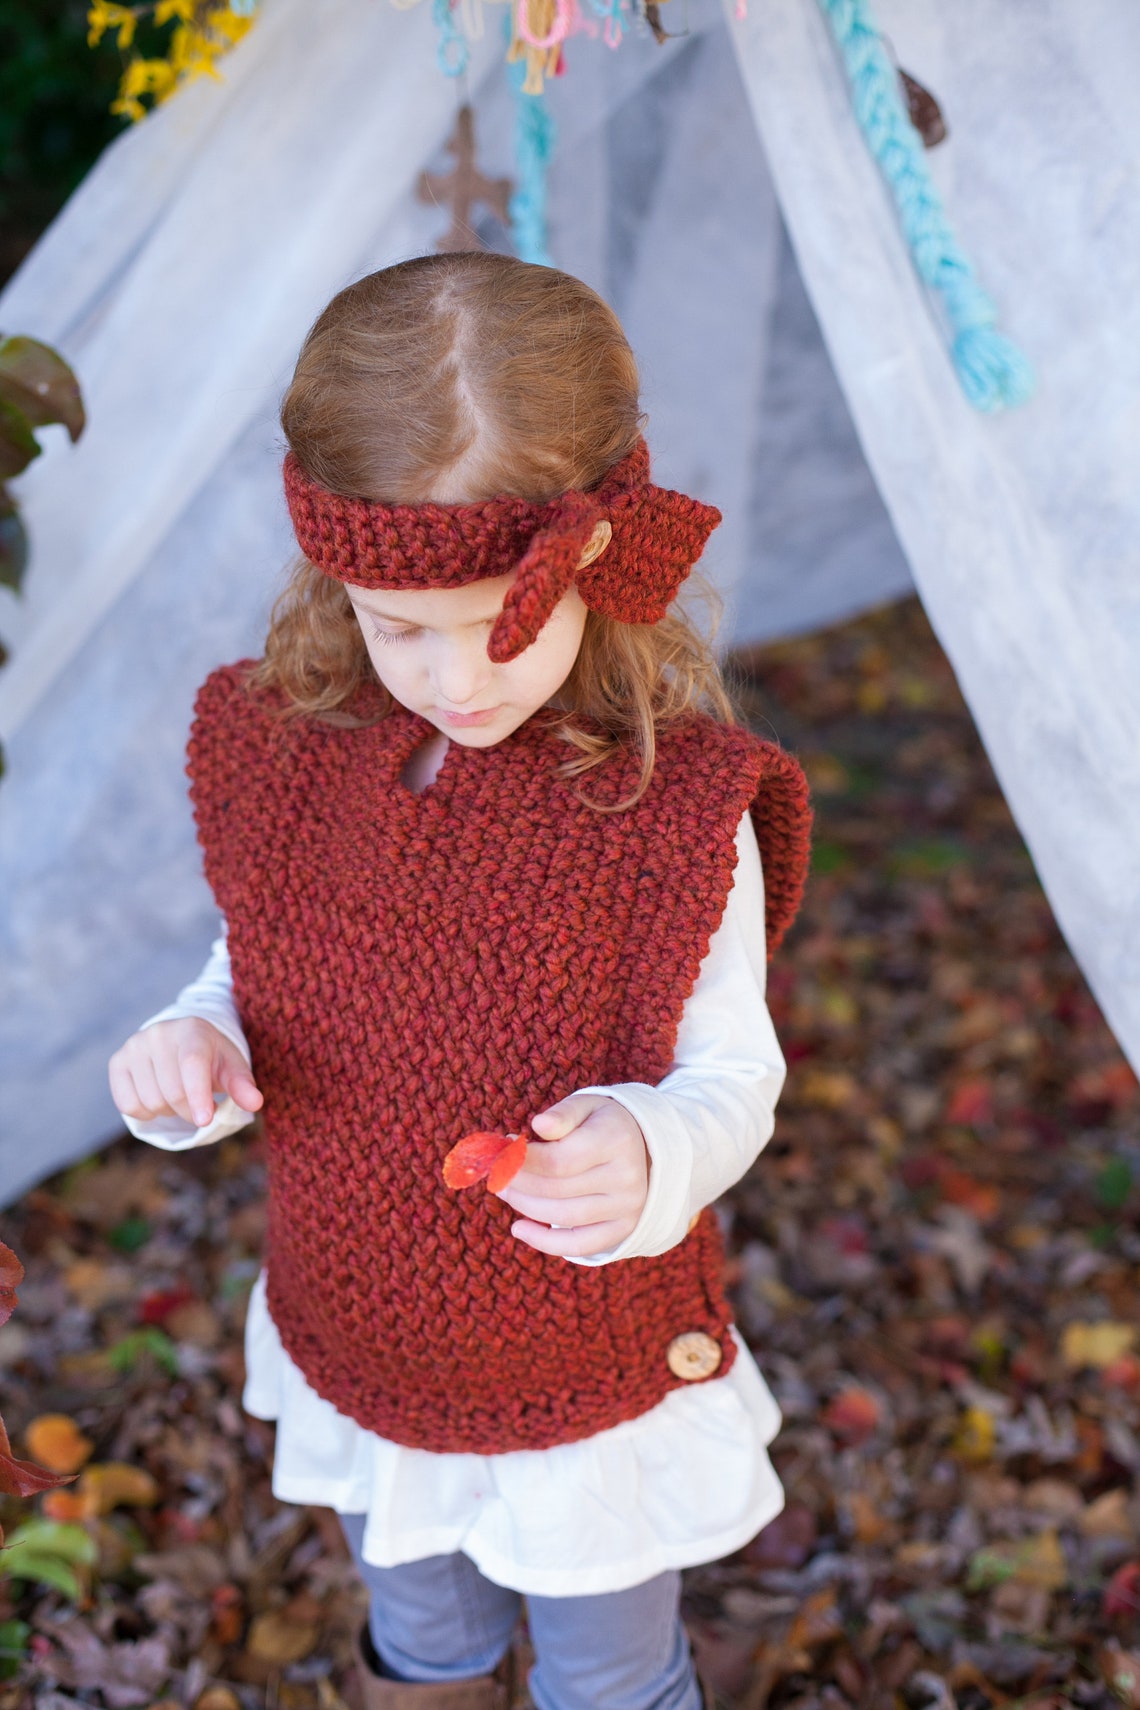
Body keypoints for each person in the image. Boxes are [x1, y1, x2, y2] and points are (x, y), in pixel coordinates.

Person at [109, 252, 812, 1710]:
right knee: (424, 1637)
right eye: (398, 627)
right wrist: (194, 1040)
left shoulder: (672, 812)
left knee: (608, 1668)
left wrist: (654, 1146)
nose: (455, 678)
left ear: (598, 572)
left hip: (576, 1362)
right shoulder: (287, 750)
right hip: (356, 1318)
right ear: (337, 582)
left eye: (502, 623)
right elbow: (257, 958)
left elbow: (734, 1074)